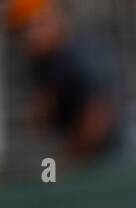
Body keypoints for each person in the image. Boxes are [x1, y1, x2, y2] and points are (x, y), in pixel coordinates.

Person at [6, 0, 122, 164]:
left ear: (53, 20)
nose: (26, 38)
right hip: (79, 160)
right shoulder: (41, 65)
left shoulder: (80, 57)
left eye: (30, 28)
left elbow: (99, 119)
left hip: (110, 162)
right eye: (19, 33)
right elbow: (39, 120)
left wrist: (67, 160)